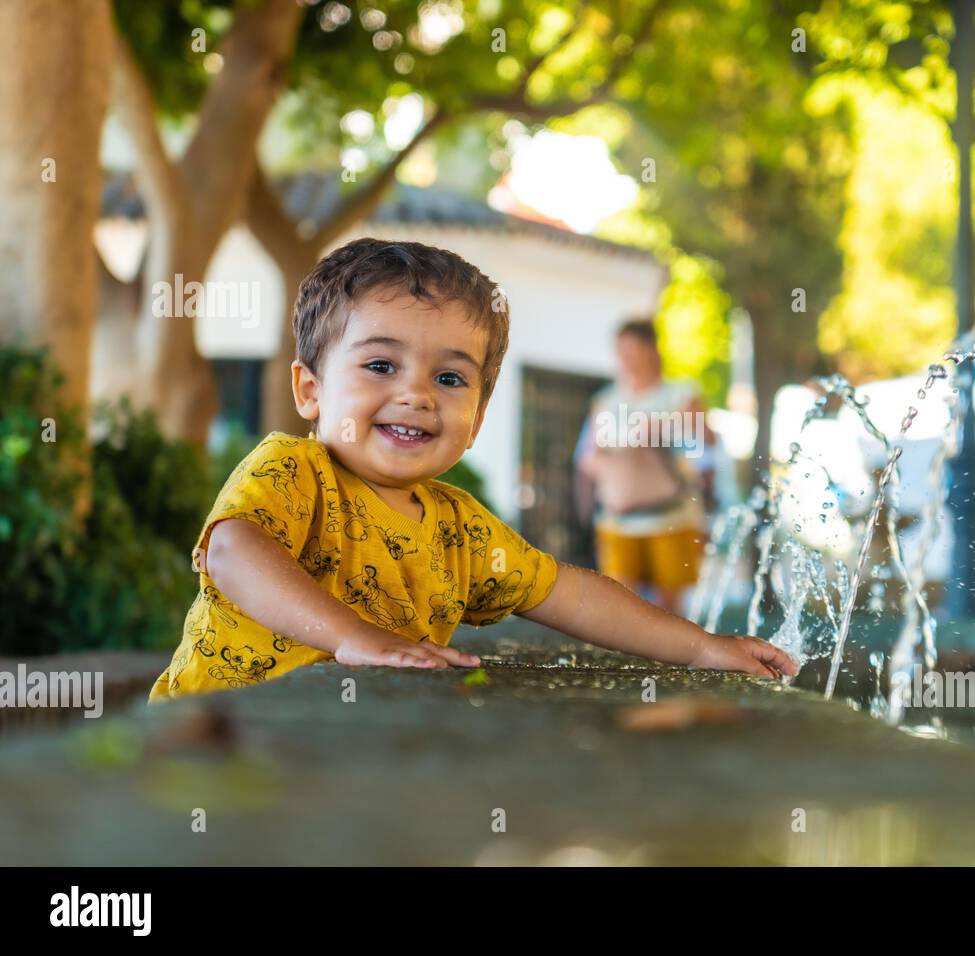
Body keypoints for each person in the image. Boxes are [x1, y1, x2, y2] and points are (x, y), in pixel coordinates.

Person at [149, 240, 794, 701]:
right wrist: (353, 636)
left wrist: (705, 647)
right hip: (204, 748)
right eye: (380, 365)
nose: (417, 393)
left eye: (451, 377)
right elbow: (234, 551)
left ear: (478, 416)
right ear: (310, 390)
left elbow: (570, 594)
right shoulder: (295, 471)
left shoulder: (462, 531)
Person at [574, 320, 714, 616]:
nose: (625, 358)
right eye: (620, 350)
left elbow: (706, 448)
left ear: (651, 350)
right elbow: (587, 459)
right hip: (618, 518)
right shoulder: (605, 401)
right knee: (621, 606)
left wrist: (662, 431)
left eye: (632, 350)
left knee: (670, 610)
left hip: (674, 517)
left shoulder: (682, 395)